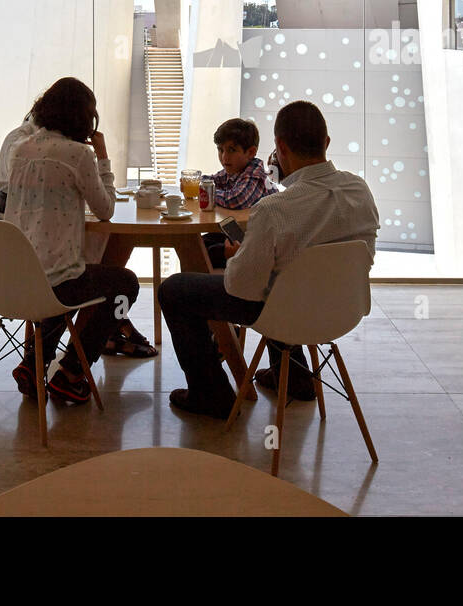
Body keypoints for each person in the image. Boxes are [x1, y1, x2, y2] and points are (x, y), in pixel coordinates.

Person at [159, 101, 379, 418]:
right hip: (344, 308)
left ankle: (211, 396)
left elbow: (241, 287)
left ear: (280, 147)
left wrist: (238, 257)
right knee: (283, 274)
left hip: (288, 310)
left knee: (175, 290)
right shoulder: (361, 190)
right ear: (326, 142)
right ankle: (297, 379)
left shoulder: (274, 209)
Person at [4, 77, 141, 403]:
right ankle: (73, 371)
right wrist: (103, 157)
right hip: (55, 283)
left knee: (57, 270)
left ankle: (34, 363)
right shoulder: (78, 154)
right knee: (124, 284)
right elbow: (106, 209)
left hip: (14, 279)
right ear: (84, 118)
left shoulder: (20, 149)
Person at [201, 117, 277, 270]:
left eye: (231, 150)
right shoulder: (234, 169)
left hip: (258, 245)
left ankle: (203, 288)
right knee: (198, 243)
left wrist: (209, 192)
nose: (224, 157)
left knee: (205, 252)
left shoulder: (254, 174)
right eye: (220, 150)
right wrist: (199, 183)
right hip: (240, 232)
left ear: (250, 152)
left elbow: (236, 199)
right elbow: (209, 180)